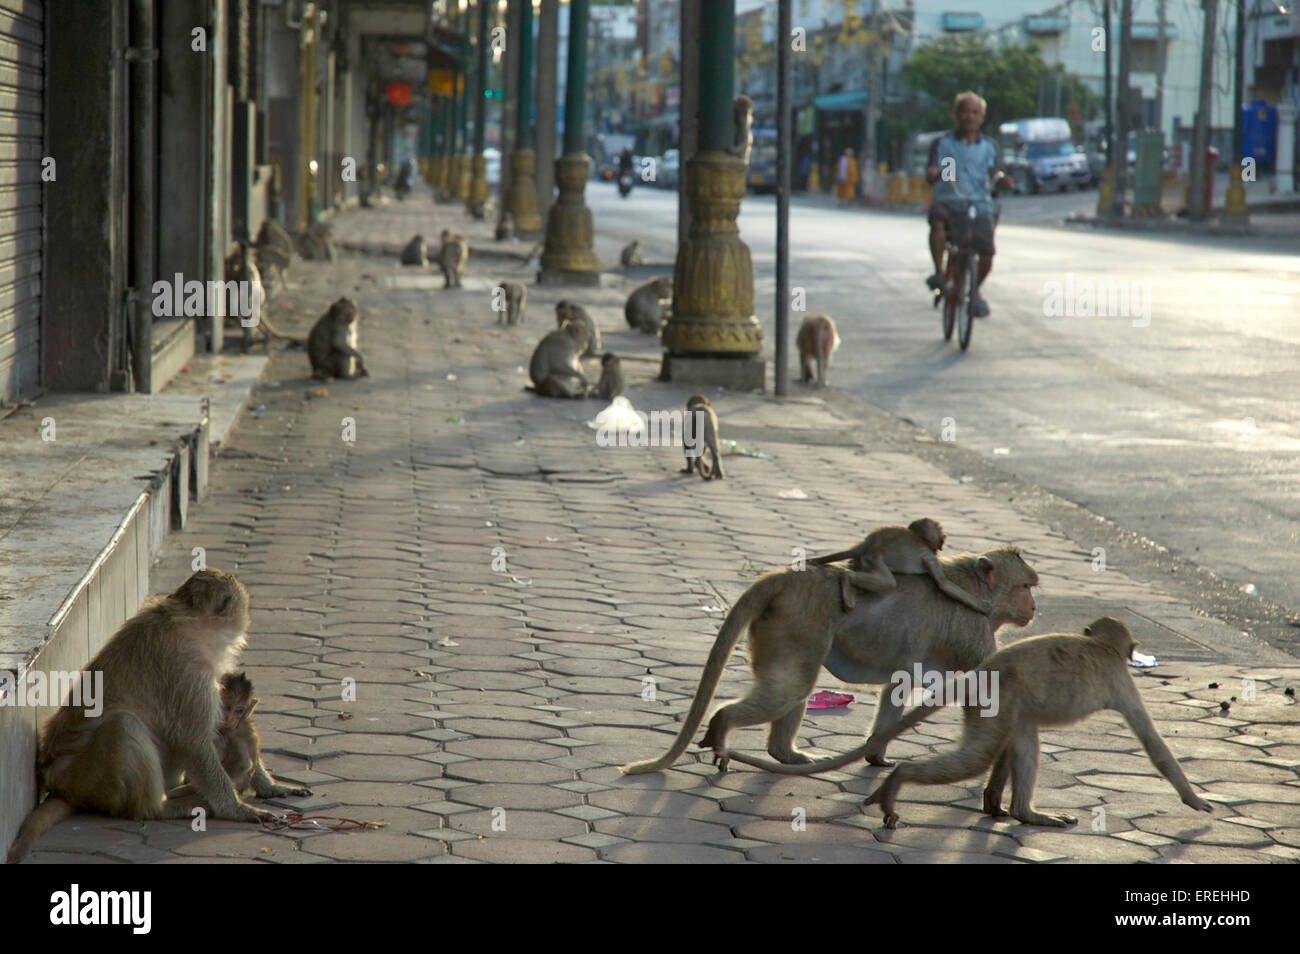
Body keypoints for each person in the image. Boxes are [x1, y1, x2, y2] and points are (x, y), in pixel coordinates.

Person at [925, 91, 1012, 317]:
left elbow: (995, 172)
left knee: (987, 252)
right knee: (937, 219)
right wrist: (935, 172)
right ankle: (939, 272)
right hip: (949, 201)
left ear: (981, 117)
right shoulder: (943, 144)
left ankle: (974, 291)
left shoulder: (990, 147)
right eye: (965, 112)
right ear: (957, 115)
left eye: (975, 112)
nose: (970, 117)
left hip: (978, 204)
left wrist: (1002, 180)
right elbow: (940, 170)